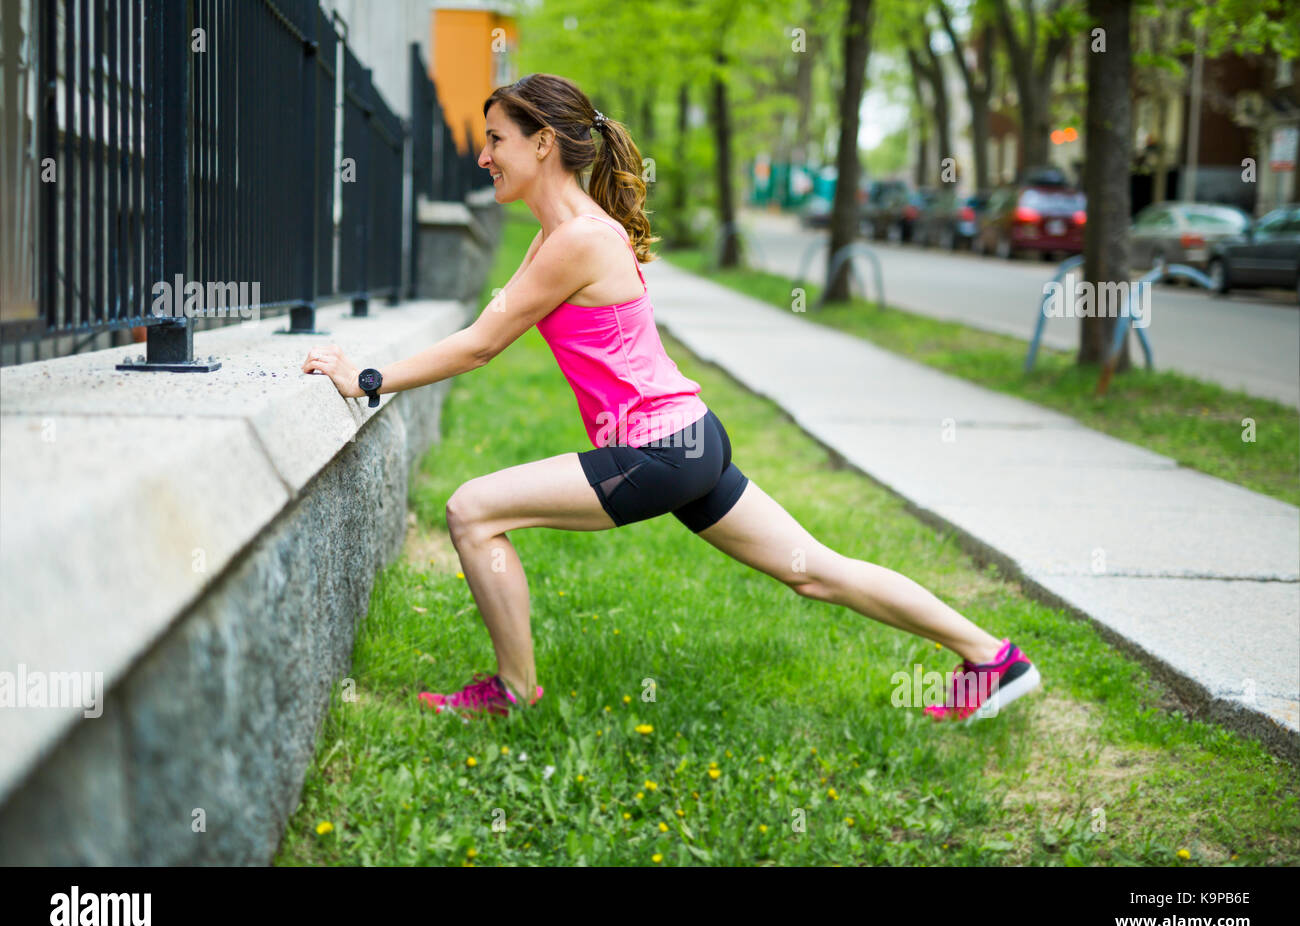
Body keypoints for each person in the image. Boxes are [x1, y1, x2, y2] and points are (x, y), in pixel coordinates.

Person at [300, 73, 1042, 723]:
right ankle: (994, 658)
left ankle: (514, 691)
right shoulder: (561, 236)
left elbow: (479, 344)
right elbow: (487, 333)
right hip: (688, 439)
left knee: (471, 510)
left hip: (659, 450)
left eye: (496, 139)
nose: (484, 154)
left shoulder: (577, 240)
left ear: (544, 144)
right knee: (811, 569)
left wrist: (366, 378)